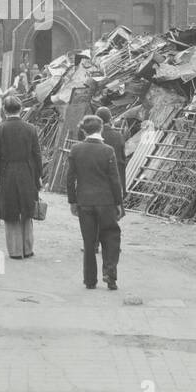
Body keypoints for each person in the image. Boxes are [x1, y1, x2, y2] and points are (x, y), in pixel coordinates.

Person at [66, 114, 124, 290]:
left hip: (85, 201)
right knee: (110, 237)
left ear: (83, 130)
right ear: (101, 129)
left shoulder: (76, 150)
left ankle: (90, 280)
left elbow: (70, 178)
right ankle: (110, 275)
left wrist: (73, 201)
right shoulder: (108, 151)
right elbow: (115, 180)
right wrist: (119, 203)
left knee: (89, 241)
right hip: (106, 202)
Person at [0, 94, 42, 259]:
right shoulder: (31, 129)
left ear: (4, 110)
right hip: (27, 171)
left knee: (11, 211)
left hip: (7, 172)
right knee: (27, 209)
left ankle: (15, 250)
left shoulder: (0, 130)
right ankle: (28, 249)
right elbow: (37, 155)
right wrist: (38, 175)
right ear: (20, 109)